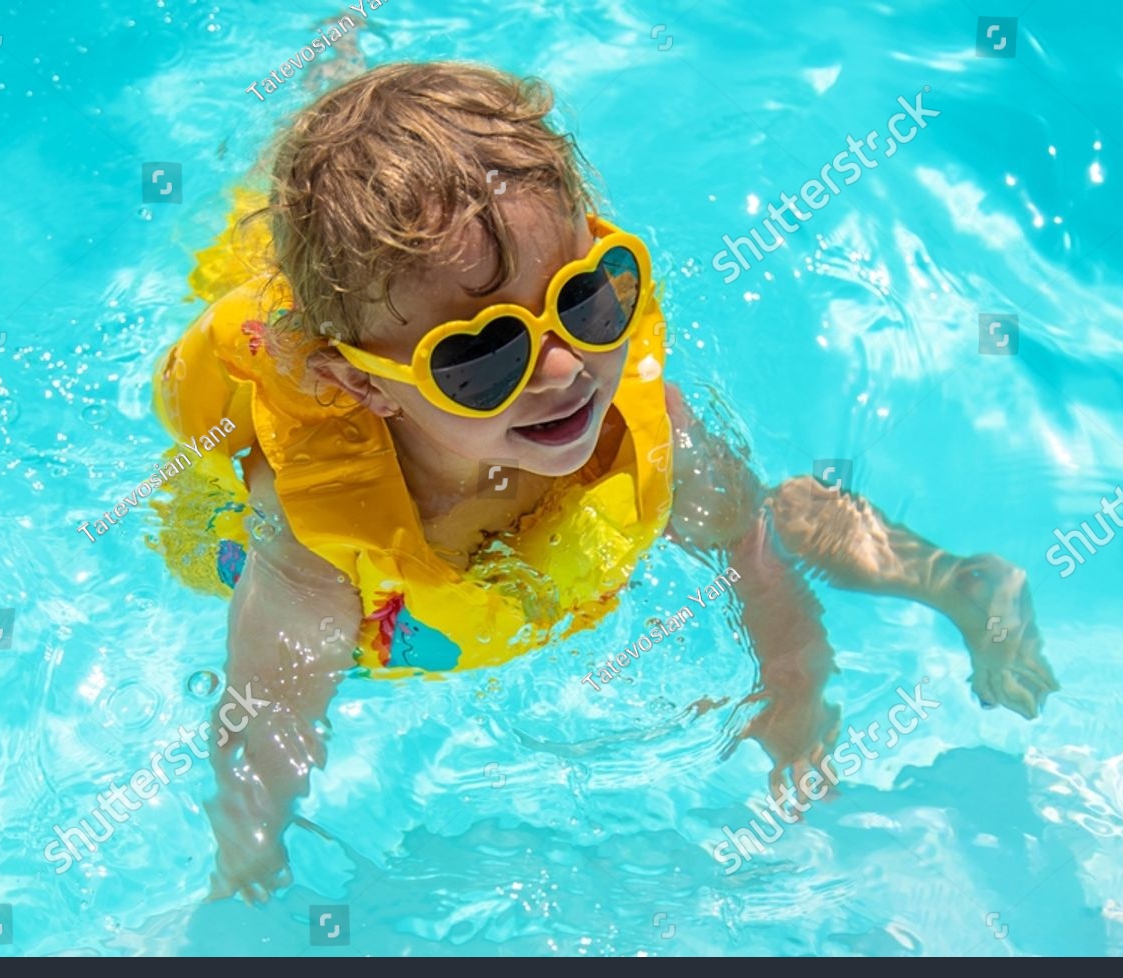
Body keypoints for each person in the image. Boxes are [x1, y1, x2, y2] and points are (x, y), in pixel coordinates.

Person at [150, 61, 1058, 902]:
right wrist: (248, 872)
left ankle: (953, 578)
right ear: (363, 385)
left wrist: (792, 686)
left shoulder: (630, 411)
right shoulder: (313, 551)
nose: (563, 370)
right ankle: (325, 71)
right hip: (375, 538)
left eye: (584, 299)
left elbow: (745, 544)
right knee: (265, 202)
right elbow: (265, 726)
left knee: (753, 503)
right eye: (482, 355)